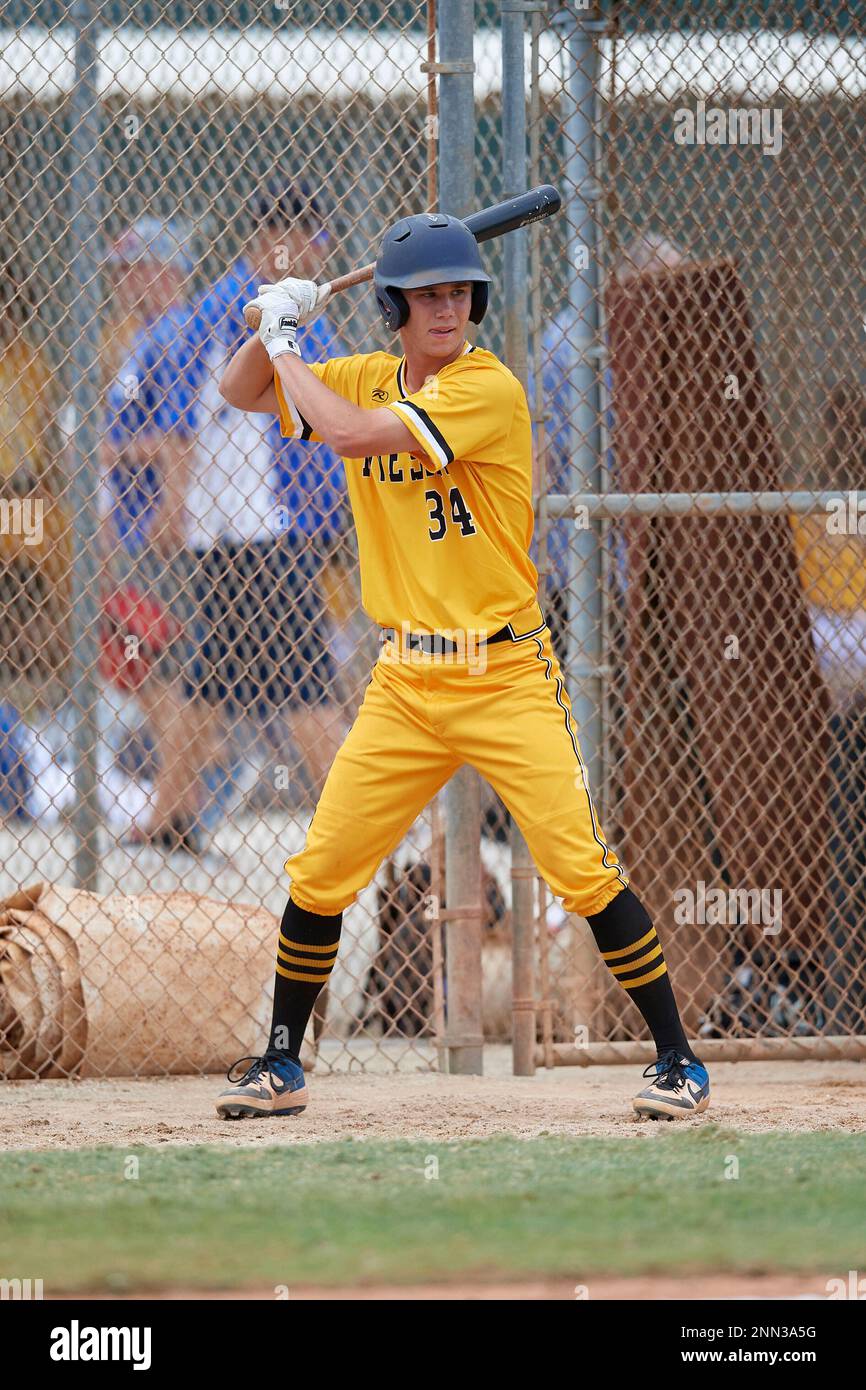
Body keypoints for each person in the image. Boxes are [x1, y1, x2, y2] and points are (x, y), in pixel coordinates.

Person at [213, 212, 710, 1122]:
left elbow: (358, 437)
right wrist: (266, 326)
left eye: (458, 293)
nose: (447, 309)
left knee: (580, 867)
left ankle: (678, 1061)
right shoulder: (366, 373)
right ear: (395, 305)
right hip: (406, 683)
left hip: (506, 675)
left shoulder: (487, 389)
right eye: (428, 295)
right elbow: (241, 391)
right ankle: (281, 1063)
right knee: (322, 870)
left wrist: (288, 345)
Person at [182, 185, 347, 806]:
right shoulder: (234, 305)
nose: (315, 254)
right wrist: (177, 501)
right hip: (255, 525)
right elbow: (187, 410)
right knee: (306, 679)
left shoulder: (302, 307)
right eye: (308, 240)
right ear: (275, 238)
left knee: (212, 676)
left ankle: (171, 814)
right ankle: (360, 818)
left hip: (276, 524)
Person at [100, 216, 212, 850]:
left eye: (132, 270)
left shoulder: (170, 336)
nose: (121, 284)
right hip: (140, 523)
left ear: (162, 272)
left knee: (159, 668)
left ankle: (173, 808)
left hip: (157, 528)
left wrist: (163, 507)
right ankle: (181, 804)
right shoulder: (142, 339)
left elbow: (176, 439)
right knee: (154, 668)